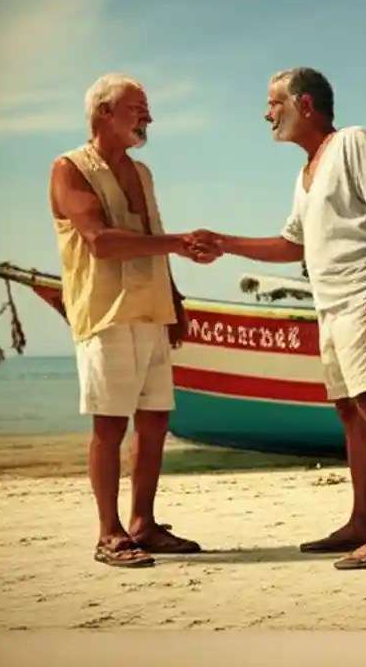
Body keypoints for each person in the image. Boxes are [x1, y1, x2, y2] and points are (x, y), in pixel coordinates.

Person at [190, 67, 366, 570]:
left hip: (363, 295)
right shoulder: (305, 173)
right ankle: (363, 520)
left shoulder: (354, 142)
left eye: (274, 103)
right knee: (349, 411)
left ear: (306, 104)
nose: (266, 113)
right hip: (330, 304)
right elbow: (290, 244)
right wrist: (225, 244)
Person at [50, 73, 220, 568]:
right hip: (104, 314)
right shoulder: (69, 168)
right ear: (103, 112)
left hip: (151, 311)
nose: (147, 117)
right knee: (109, 425)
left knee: (155, 422)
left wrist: (175, 300)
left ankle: (142, 525)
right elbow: (100, 241)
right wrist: (178, 246)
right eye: (136, 109)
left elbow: (151, 233)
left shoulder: (142, 172)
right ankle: (109, 533)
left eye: (146, 110)